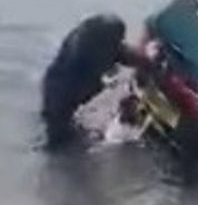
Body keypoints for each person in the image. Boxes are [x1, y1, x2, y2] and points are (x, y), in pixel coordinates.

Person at [41, 13, 141, 147]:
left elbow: (121, 53)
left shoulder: (94, 39)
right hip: (61, 91)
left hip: (67, 84)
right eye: (117, 40)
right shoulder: (84, 52)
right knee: (59, 137)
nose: (121, 41)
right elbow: (114, 57)